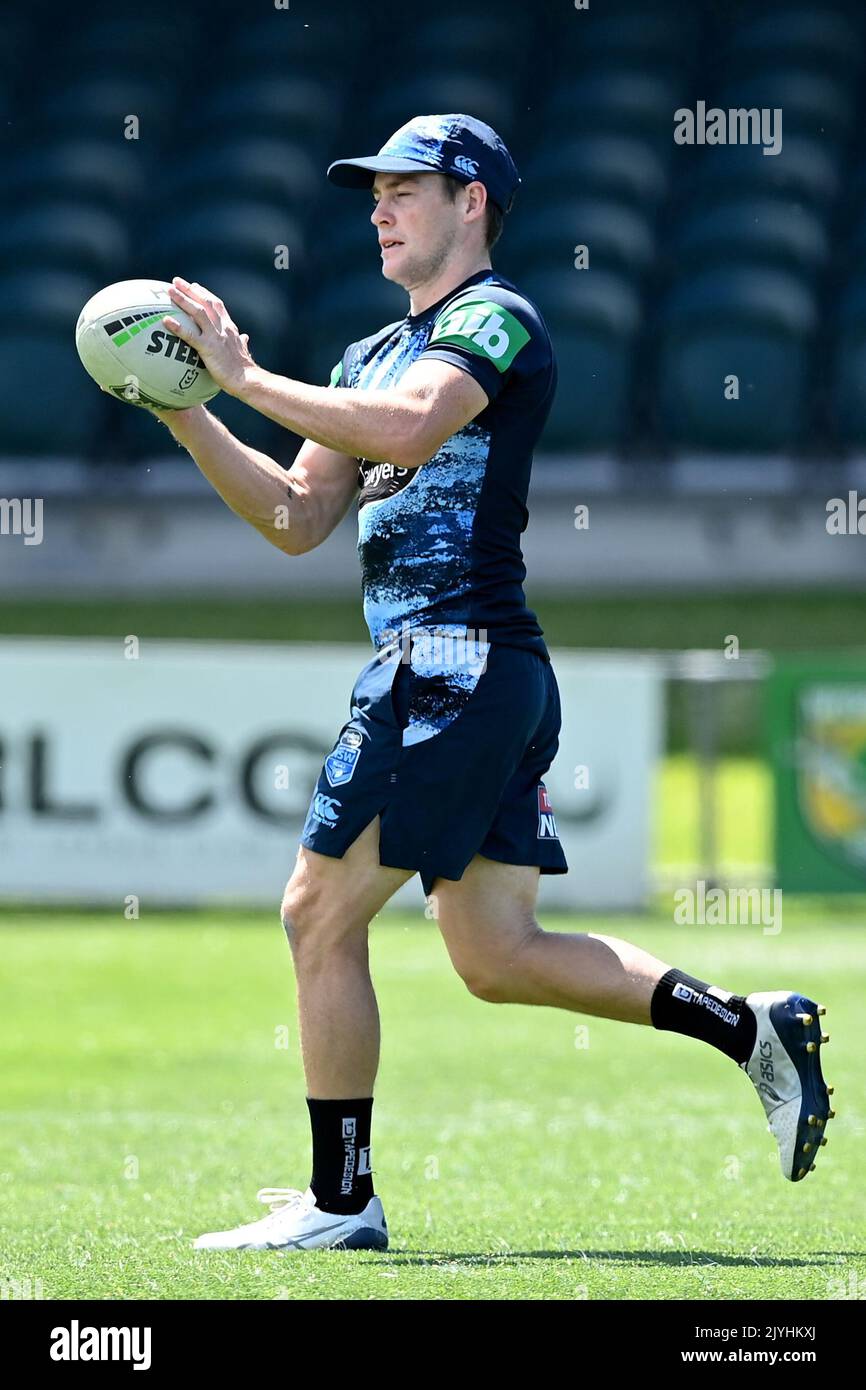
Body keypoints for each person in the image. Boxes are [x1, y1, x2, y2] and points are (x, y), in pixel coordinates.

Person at [144, 115, 833, 1252]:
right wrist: (184, 408)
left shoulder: (493, 318)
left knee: (314, 912)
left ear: (471, 203)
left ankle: (340, 1199)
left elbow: (415, 430)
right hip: (477, 670)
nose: (377, 208)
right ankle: (750, 1028)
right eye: (371, 192)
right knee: (496, 955)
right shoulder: (366, 356)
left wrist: (247, 370)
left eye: (404, 189)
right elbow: (293, 516)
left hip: (449, 664)